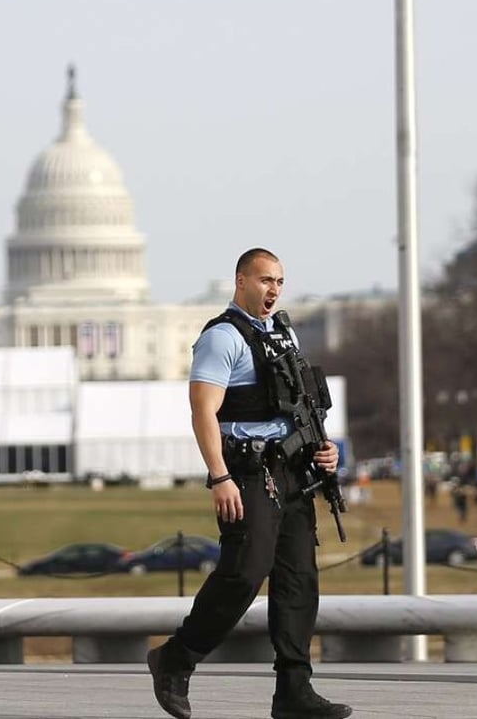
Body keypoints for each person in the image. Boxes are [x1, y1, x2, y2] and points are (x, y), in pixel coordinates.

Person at [147, 248, 352, 719]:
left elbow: (298, 406)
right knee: (244, 571)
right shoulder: (223, 337)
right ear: (240, 281)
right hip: (248, 472)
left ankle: (294, 691)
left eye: (279, 281)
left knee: (299, 581)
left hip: (295, 471)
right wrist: (219, 477)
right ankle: (176, 658)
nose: (273, 290)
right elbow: (203, 411)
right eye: (264, 280)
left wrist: (325, 449)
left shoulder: (283, 332)